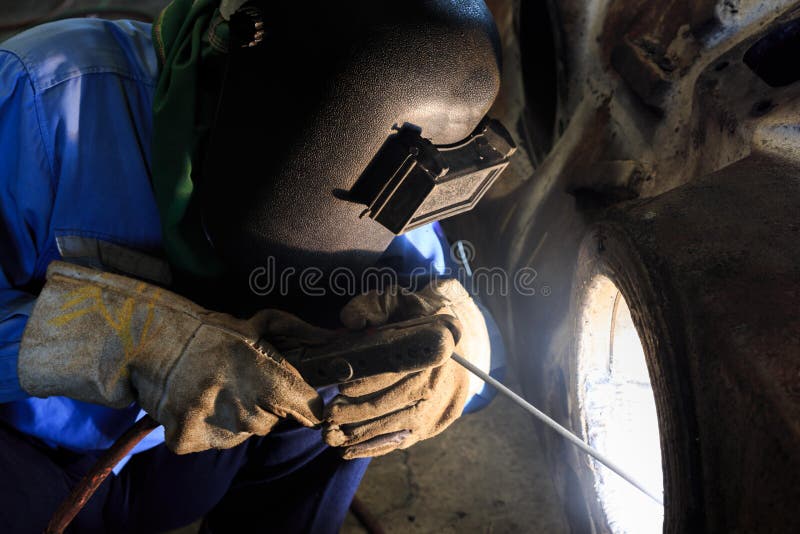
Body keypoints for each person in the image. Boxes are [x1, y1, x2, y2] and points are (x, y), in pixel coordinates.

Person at [0, 1, 504, 532]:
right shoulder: (44, 98)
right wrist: (124, 341)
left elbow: (466, 343)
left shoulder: (394, 164)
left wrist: (460, 353)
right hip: (26, 459)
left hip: (175, 467)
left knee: (366, 359)